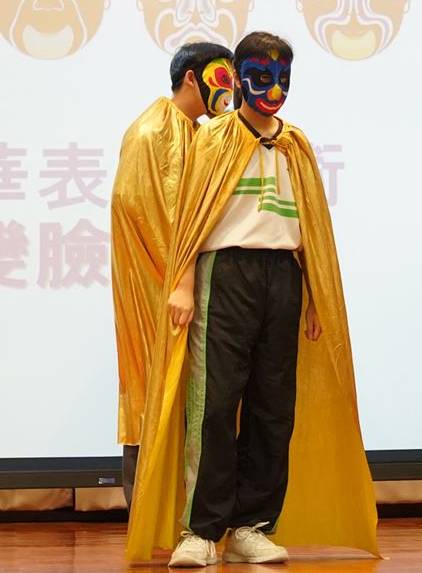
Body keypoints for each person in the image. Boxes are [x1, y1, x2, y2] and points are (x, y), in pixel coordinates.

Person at [125, 32, 379, 566]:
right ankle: (202, 528)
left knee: (272, 406)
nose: (273, 89)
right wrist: (185, 282)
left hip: (282, 274)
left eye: (283, 78)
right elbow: (190, 217)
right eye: (261, 76)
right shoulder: (214, 137)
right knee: (215, 402)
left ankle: (252, 523)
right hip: (227, 270)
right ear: (236, 76)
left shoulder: (296, 144)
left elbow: (311, 225)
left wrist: (313, 294)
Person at [111, 42, 234, 510]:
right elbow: (157, 220)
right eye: (222, 78)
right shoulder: (155, 132)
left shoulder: (190, 132)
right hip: (159, 289)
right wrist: (187, 279)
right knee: (156, 391)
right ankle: (151, 514)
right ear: (191, 78)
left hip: (178, 286)